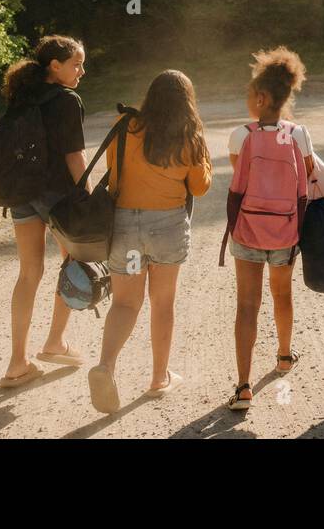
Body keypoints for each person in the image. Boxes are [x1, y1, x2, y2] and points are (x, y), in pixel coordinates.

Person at [87, 70, 212, 414]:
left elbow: (113, 176)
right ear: (187, 101)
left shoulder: (126, 127)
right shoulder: (189, 135)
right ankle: (159, 378)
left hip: (127, 228)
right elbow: (199, 188)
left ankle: (105, 366)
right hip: (167, 228)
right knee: (162, 303)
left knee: (126, 304)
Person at [225, 47, 315, 412]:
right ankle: (283, 356)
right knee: (282, 294)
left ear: (261, 98)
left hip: (247, 229)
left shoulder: (239, 136)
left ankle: (244, 386)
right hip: (285, 232)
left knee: (247, 304)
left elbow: (240, 175)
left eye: (249, 95)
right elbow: (308, 174)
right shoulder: (298, 134)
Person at [0, 35, 89, 388]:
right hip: (57, 197)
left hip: (22, 193)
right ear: (55, 66)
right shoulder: (68, 100)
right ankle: (54, 342)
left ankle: (17, 362)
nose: (82, 70)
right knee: (75, 262)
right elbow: (75, 157)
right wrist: (90, 197)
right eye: (76, 64)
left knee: (28, 273)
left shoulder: (22, 97)